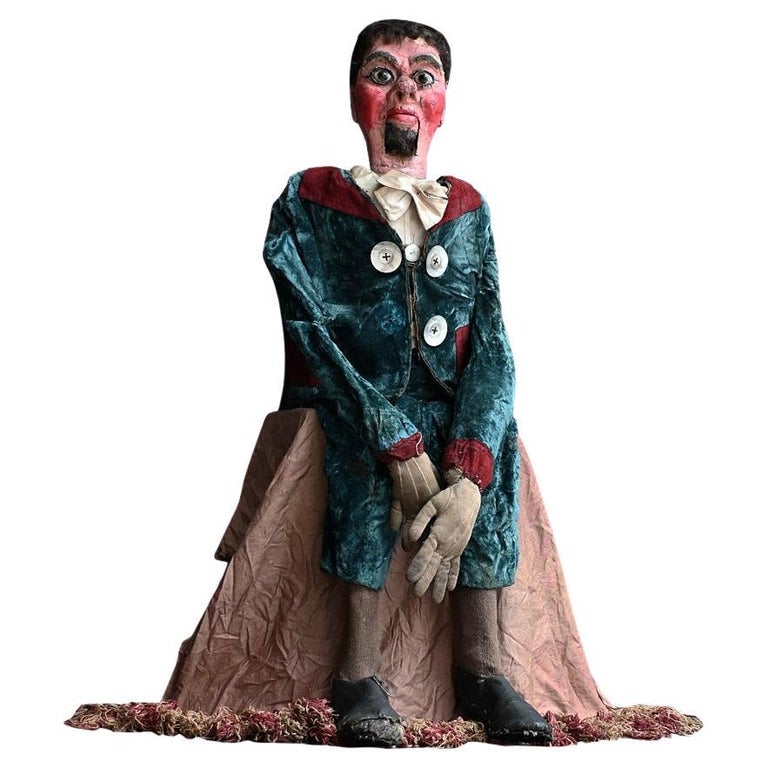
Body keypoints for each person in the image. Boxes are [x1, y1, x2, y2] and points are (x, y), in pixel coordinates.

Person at [263, 18, 552, 748]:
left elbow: (492, 343)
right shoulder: (311, 198)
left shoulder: (468, 209)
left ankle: (483, 669)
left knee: (496, 437)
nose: (405, 92)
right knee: (357, 451)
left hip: (447, 403)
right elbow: (306, 326)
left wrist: (470, 471)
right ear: (355, 97)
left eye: (424, 76)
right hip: (354, 397)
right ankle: (357, 672)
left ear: (444, 102)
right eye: (382, 73)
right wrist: (393, 438)